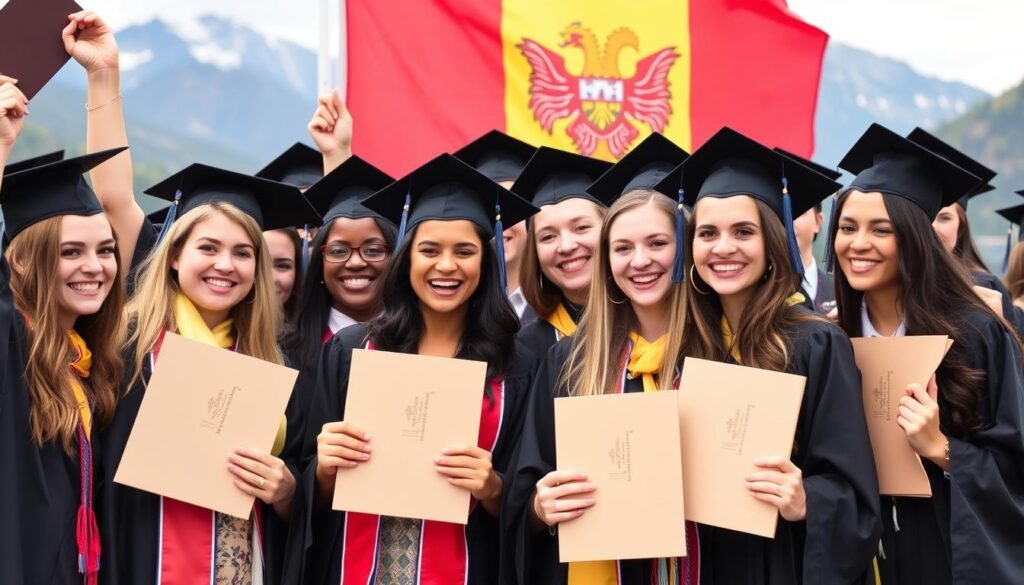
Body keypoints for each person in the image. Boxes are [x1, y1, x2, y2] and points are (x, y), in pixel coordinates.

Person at [293, 154, 540, 585]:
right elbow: (308, 491)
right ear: (407, 259)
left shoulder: (516, 365)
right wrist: (323, 468)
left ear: (486, 263)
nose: (446, 265)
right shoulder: (353, 351)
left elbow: (528, 502)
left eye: (464, 251)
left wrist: (493, 488)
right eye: (429, 250)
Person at [668, 127, 880, 584]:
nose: (723, 247)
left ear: (772, 241)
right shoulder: (683, 346)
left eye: (743, 232)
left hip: (780, 561)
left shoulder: (816, 344)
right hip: (696, 561)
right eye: (707, 233)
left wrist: (807, 498)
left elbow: (855, 493)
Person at [96, 164, 320, 585]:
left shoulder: (273, 363)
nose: (225, 265)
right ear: (175, 254)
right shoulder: (125, 347)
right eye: (208, 247)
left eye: (243, 253)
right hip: (143, 561)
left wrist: (287, 491)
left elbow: (294, 482)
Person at [830, 123, 1024, 584]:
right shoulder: (830, 339)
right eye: (847, 227)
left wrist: (943, 450)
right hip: (858, 554)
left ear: (915, 238)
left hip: (945, 554)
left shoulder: (975, 335)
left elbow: (1015, 465)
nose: (858, 243)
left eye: (881, 229)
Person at [504, 132, 693, 584]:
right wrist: (538, 506)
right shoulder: (565, 361)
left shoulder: (722, 352)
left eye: (657, 243)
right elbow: (525, 488)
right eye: (624, 248)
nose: (639, 260)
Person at [0, 106, 127, 584]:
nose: (95, 266)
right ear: (20, 260)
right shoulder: (12, 345)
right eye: (70, 252)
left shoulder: (90, 362)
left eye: (105, 250)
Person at [512, 146, 612, 351]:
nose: (566, 246)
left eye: (581, 228)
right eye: (548, 237)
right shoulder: (526, 349)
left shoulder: (652, 327)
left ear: (611, 231)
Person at [454, 130, 538, 322]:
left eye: (511, 207)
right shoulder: (455, 310)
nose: (499, 222)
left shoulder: (560, 307)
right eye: (486, 209)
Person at [774, 148, 840, 315]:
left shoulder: (841, 291)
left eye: (797, 213)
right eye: (779, 213)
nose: (788, 222)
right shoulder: (756, 294)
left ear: (818, 222)